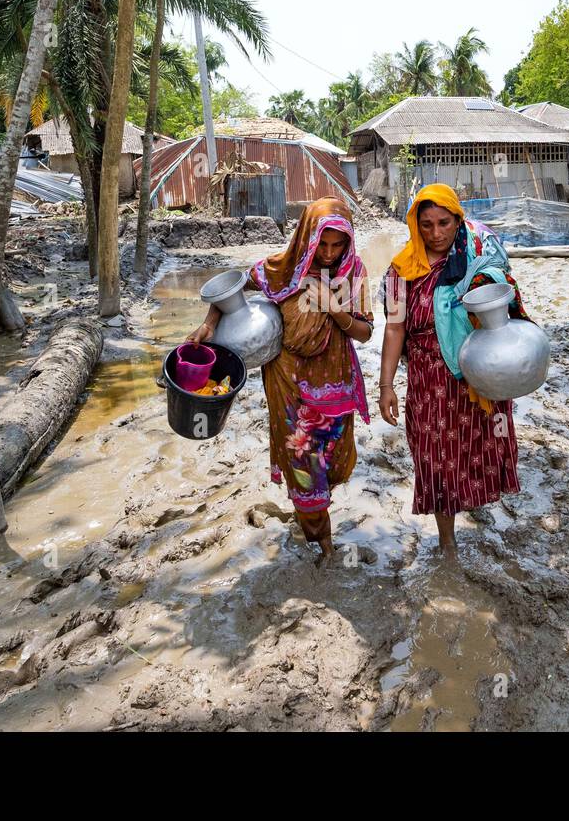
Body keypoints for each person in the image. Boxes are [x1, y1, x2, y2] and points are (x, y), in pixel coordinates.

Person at [187, 198, 372, 559]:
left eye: (339, 245)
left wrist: (335, 310)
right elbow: (232, 288)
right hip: (289, 386)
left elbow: (364, 333)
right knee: (303, 467)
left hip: (334, 386)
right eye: (324, 244)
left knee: (331, 464)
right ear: (307, 236)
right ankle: (324, 544)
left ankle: (315, 519)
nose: (331, 253)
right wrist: (209, 324)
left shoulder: (354, 273)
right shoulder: (282, 268)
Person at [378, 183, 529, 559]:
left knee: (477, 450)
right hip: (429, 381)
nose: (436, 233)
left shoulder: (478, 260)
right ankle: (448, 540)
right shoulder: (402, 270)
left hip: (475, 375)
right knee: (435, 461)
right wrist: (385, 385)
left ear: (458, 219)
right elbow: (395, 328)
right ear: (415, 224)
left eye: (444, 223)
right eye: (426, 225)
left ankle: (475, 506)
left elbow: (504, 312)